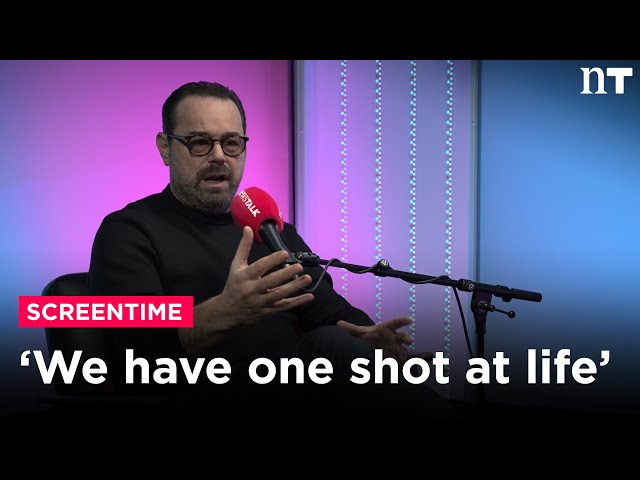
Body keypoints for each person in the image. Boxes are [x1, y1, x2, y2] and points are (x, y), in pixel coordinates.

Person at [88, 81, 457, 424]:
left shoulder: (268, 227)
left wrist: (367, 337)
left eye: (232, 143)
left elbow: (325, 306)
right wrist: (226, 311)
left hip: (301, 397)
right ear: (165, 148)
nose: (219, 156)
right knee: (327, 348)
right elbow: (138, 348)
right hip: (201, 401)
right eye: (199, 142)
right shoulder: (128, 231)